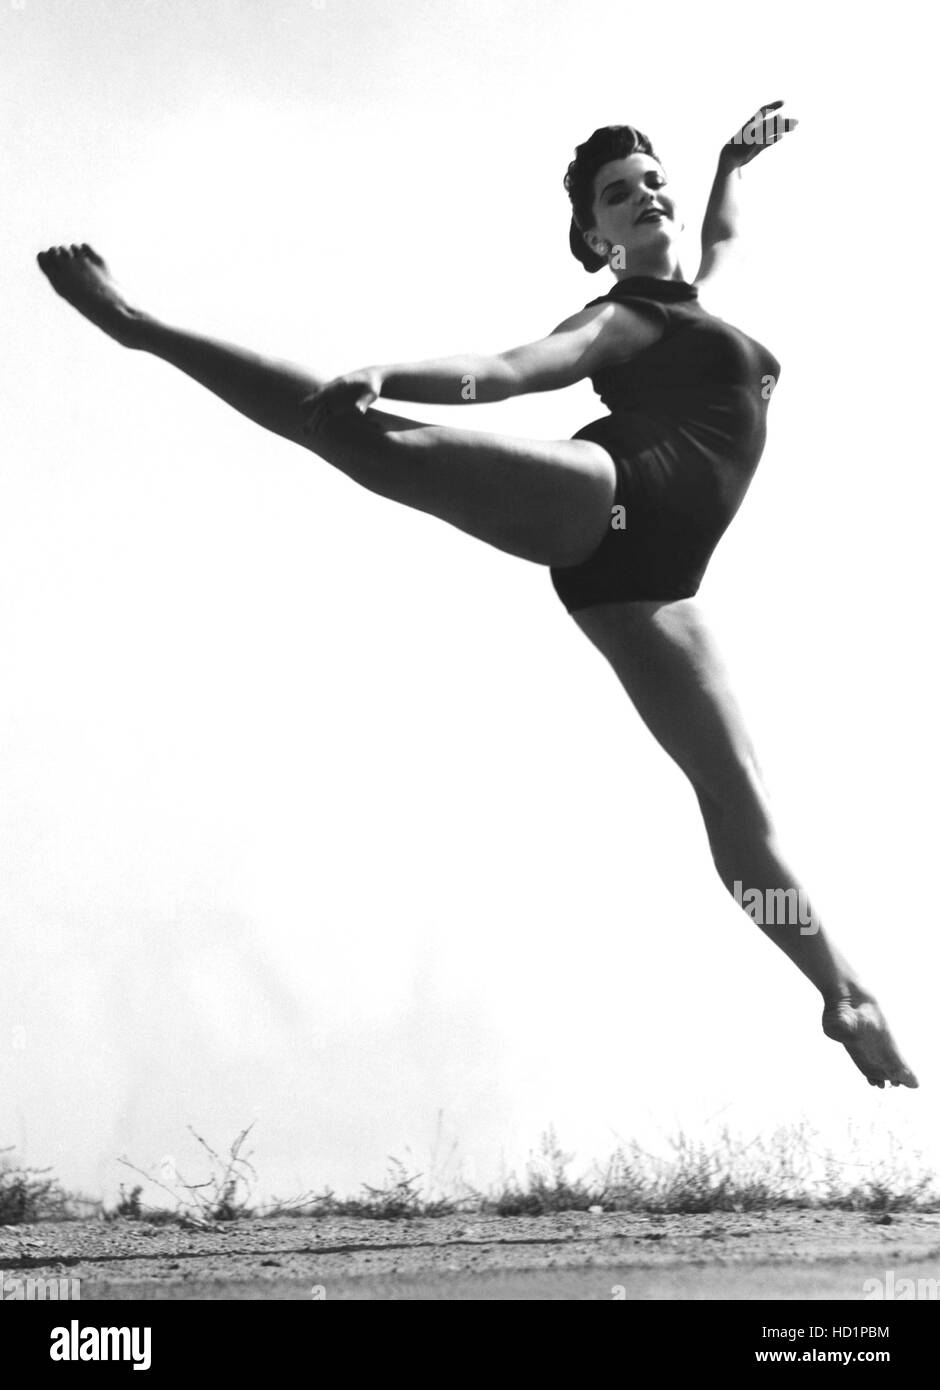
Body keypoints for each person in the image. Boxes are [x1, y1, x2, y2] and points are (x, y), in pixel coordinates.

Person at [36, 103, 917, 1088]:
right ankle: (139, 327)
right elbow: (504, 374)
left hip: (657, 587)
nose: (644, 196)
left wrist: (729, 161)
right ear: (594, 237)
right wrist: (392, 372)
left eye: (651, 180)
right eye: (617, 196)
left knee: (739, 811)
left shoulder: (705, 295)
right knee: (370, 438)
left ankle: (840, 989)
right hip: (611, 503)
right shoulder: (621, 319)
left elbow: (721, 233)